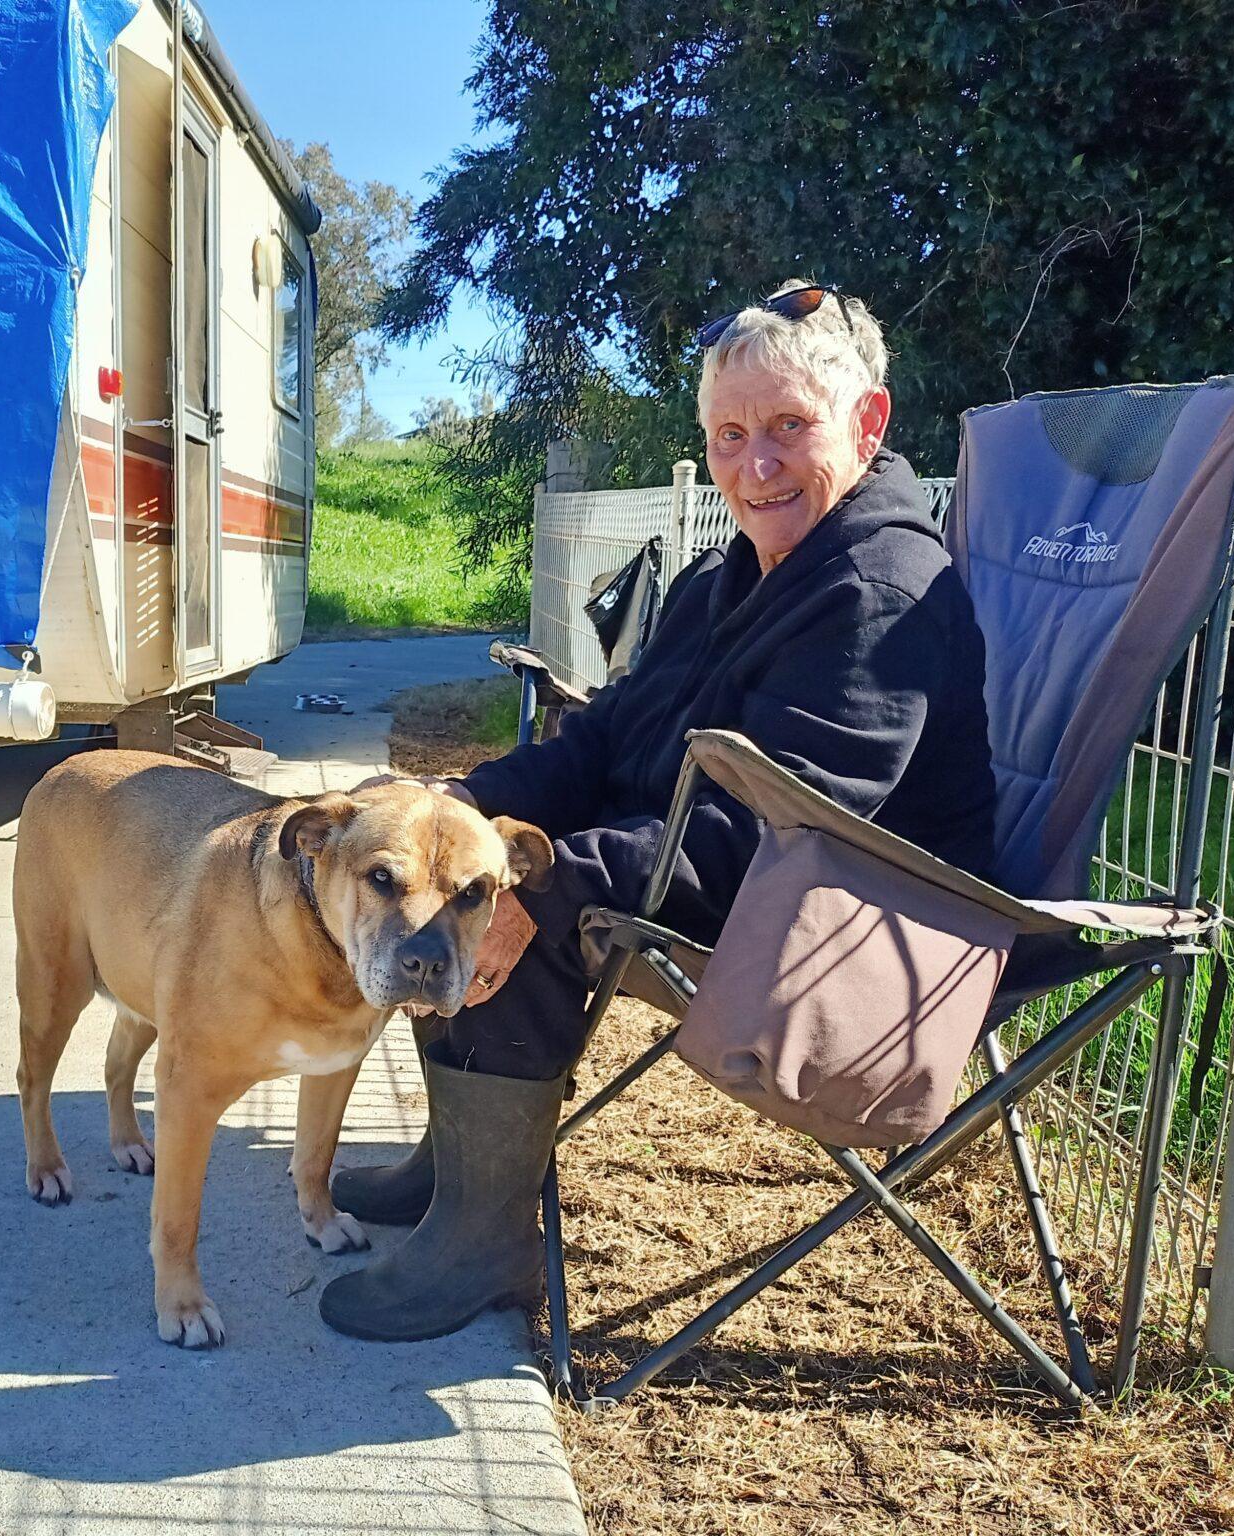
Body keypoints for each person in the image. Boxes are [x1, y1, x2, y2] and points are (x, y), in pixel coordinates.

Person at [319, 281, 998, 1343]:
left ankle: (483, 1244)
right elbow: (604, 738)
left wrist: (551, 881)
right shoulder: (729, 575)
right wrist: (464, 803)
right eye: (728, 435)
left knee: (525, 903)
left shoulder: (878, 593)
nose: (754, 466)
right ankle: (456, 1171)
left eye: (787, 427)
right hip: (745, 869)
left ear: (866, 423)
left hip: (860, 927)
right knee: (470, 866)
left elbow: (784, 833)